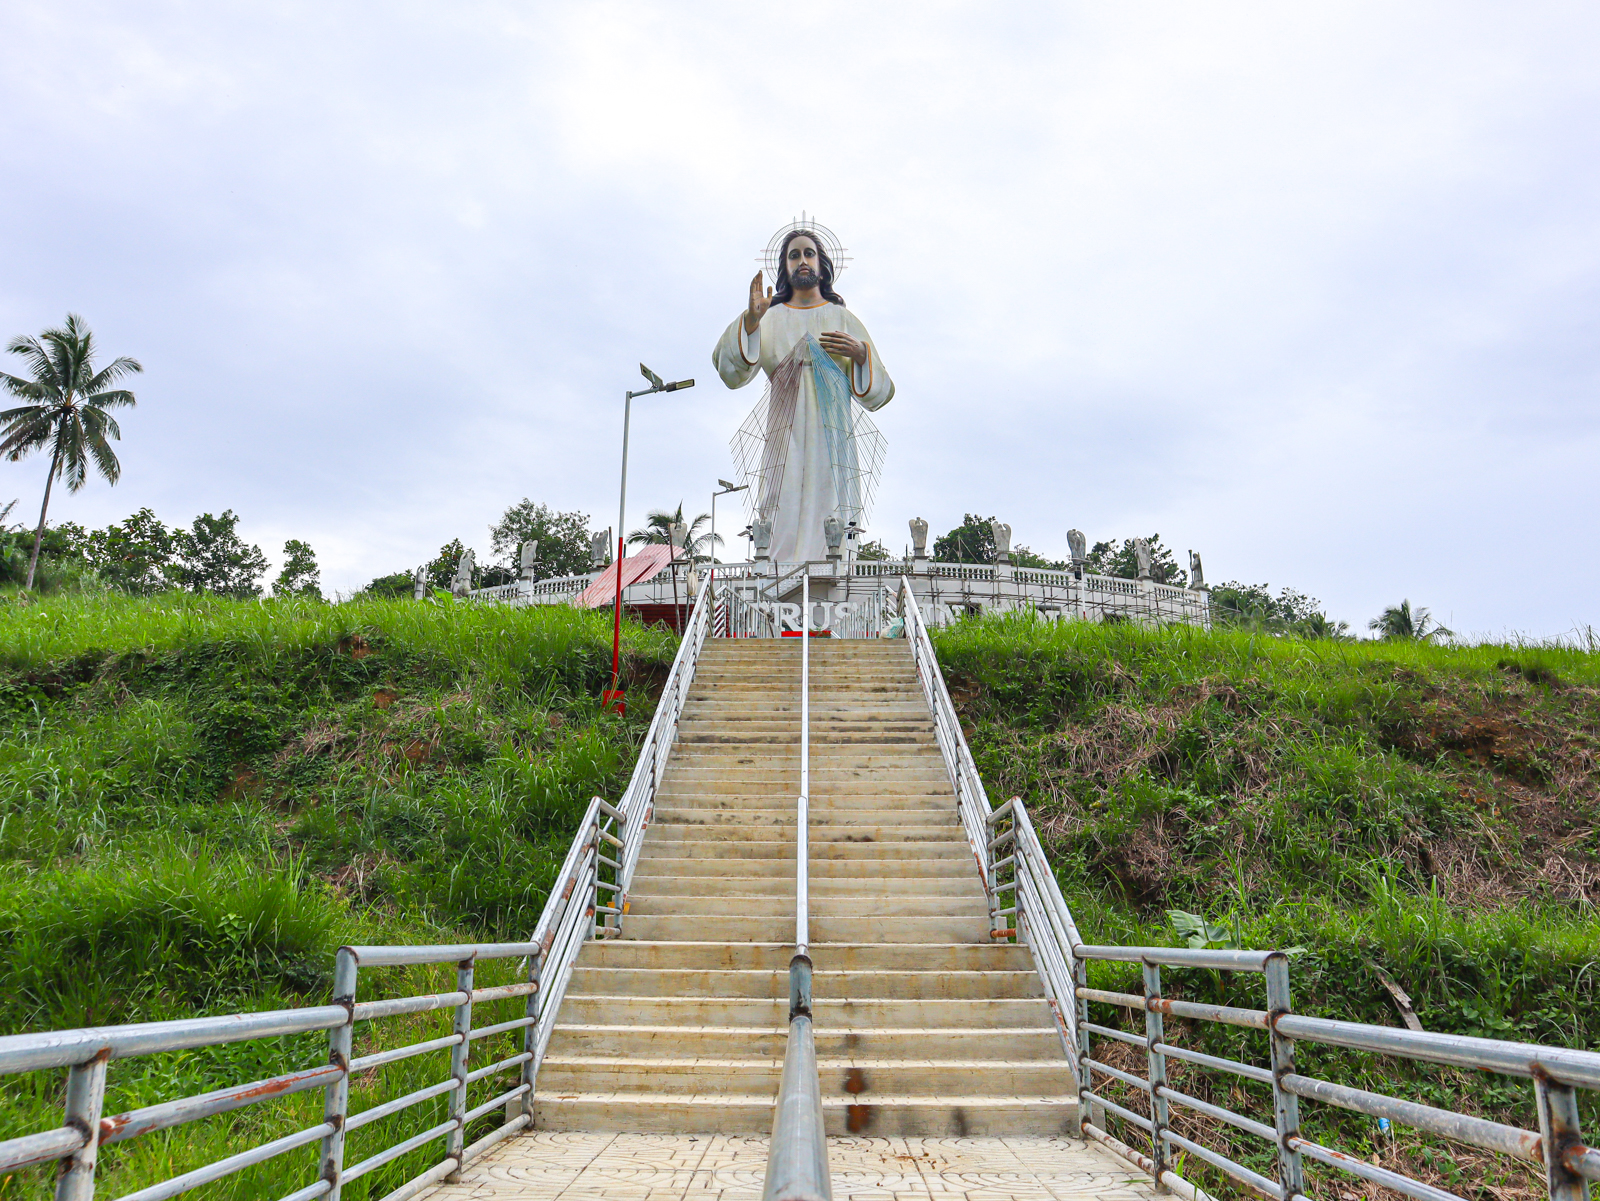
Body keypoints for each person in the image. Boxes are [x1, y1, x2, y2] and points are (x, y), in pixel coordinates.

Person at [713, 226, 894, 563]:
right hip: (787, 435)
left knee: (833, 505)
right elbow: (730, 372)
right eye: (794, 255)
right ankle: (778, 570)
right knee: (783, 501)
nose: (802, 261)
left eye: (808, 253)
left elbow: (880, 393)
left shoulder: (842, 318)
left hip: (833, 438)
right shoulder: (769, 318)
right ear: (784, 268)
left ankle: (835, 564)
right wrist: (752, 322)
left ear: (821, 263)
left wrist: (861, 355)